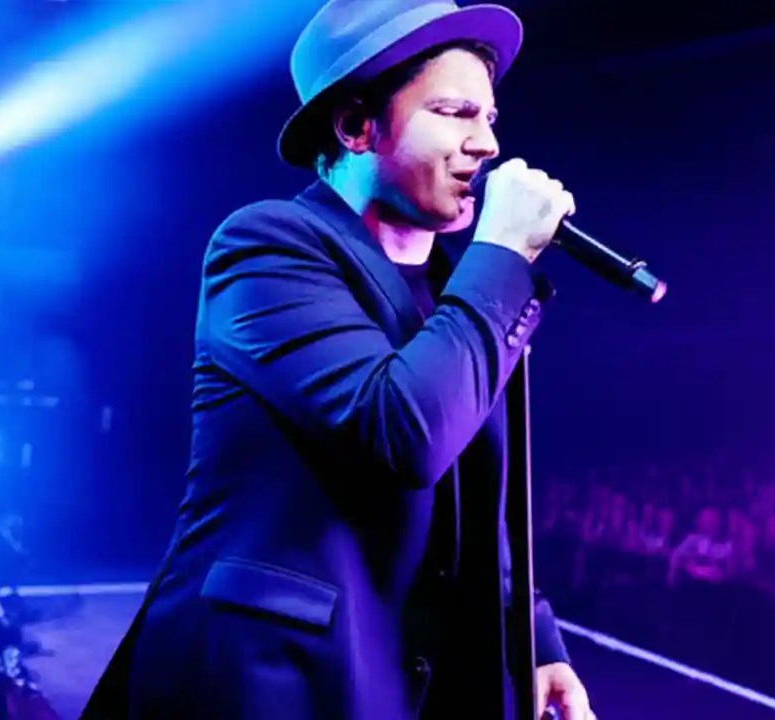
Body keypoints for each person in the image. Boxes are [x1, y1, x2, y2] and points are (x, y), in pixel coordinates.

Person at [80, 1, 595, 719]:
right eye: (454, 112)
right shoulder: (269, 247)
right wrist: (504, 255)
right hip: (274, 685)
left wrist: (537, 641)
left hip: (412, 683)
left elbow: (478, 499)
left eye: (490, 117)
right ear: (356, 127)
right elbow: (407, 433)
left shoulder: (462, 290)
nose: (487, 145)